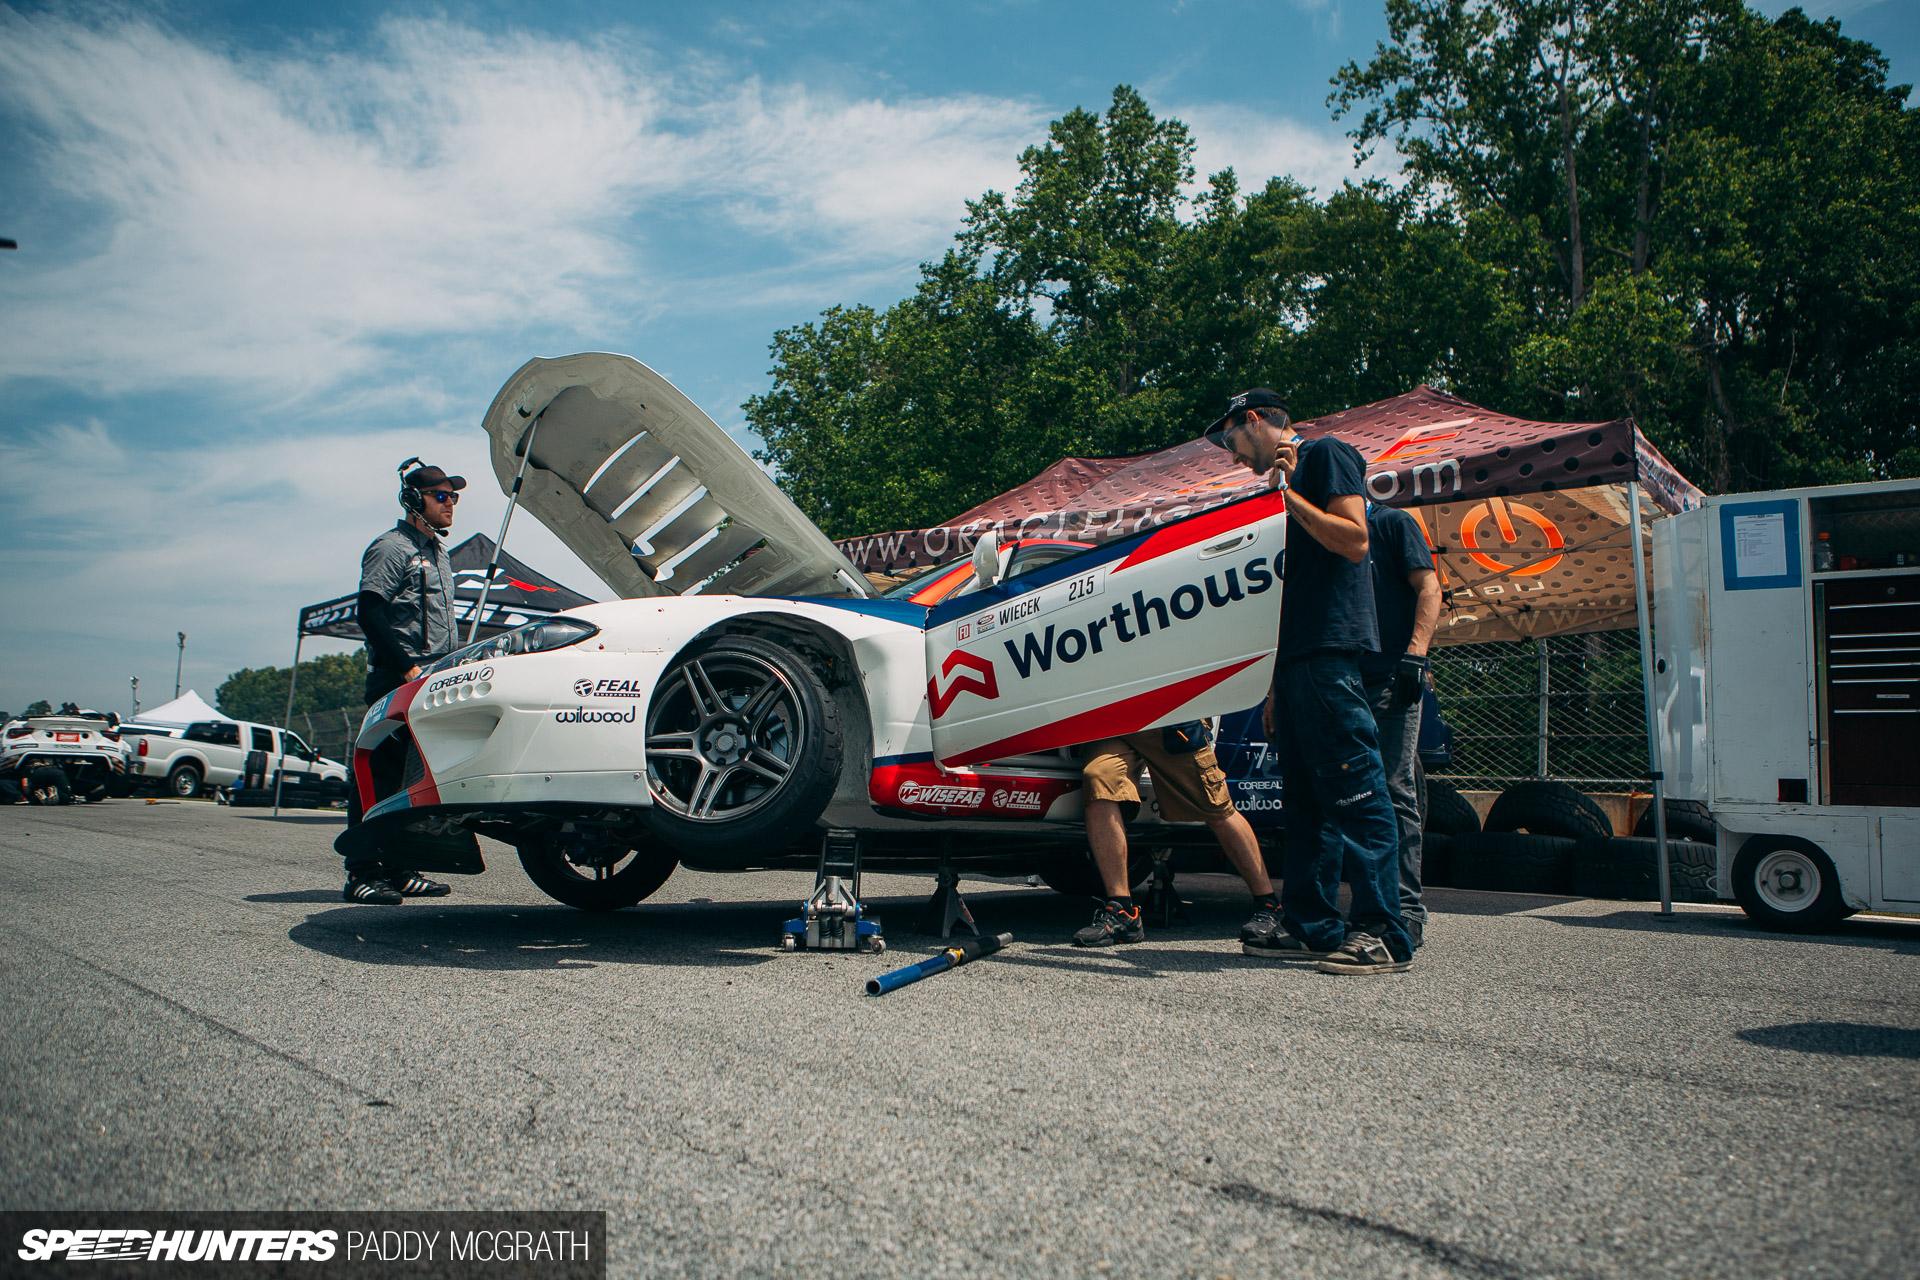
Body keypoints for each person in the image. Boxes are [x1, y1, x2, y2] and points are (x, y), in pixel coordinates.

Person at [1205, 389, 1413, 974]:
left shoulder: (1325, 454)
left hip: (1329, 652)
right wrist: (1273, 685)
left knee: (1355, 791)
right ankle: (1311, 924)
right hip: (1296, 661)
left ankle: (1383, 932)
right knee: (1306, 806)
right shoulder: (1286, 482)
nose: (1231, 454)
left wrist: (1287, 497)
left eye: (1230, 440)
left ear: (1252, 420)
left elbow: (1354, 539)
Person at [341, 459, 463, 905]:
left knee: (410, 782)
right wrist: (406, 666)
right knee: (377, 777)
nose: (451, 504)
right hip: (396, 680)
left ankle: (399, 869)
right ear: (415, 500)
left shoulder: (439, 552)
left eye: (454, 497)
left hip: (431, 683)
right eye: (442, 496)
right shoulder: (391, 548)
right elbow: (370, 612)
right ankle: (361, 873)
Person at [1069, 723, 1282, 947]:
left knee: (1217, 808)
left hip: (1168, 719)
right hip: (1116, 722)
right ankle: (1122, 913)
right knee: (1098, 779)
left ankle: (1268, 905)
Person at [1360, 500, 1442, 949]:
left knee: (1394, 790)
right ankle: (1364, 908)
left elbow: (1430, 587)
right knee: (1351, 794)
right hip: (1346, 678)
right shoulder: (1328, 530)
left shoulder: (1392, 523)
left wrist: (1415, 654)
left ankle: (1407, 909)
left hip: (1394, 677)